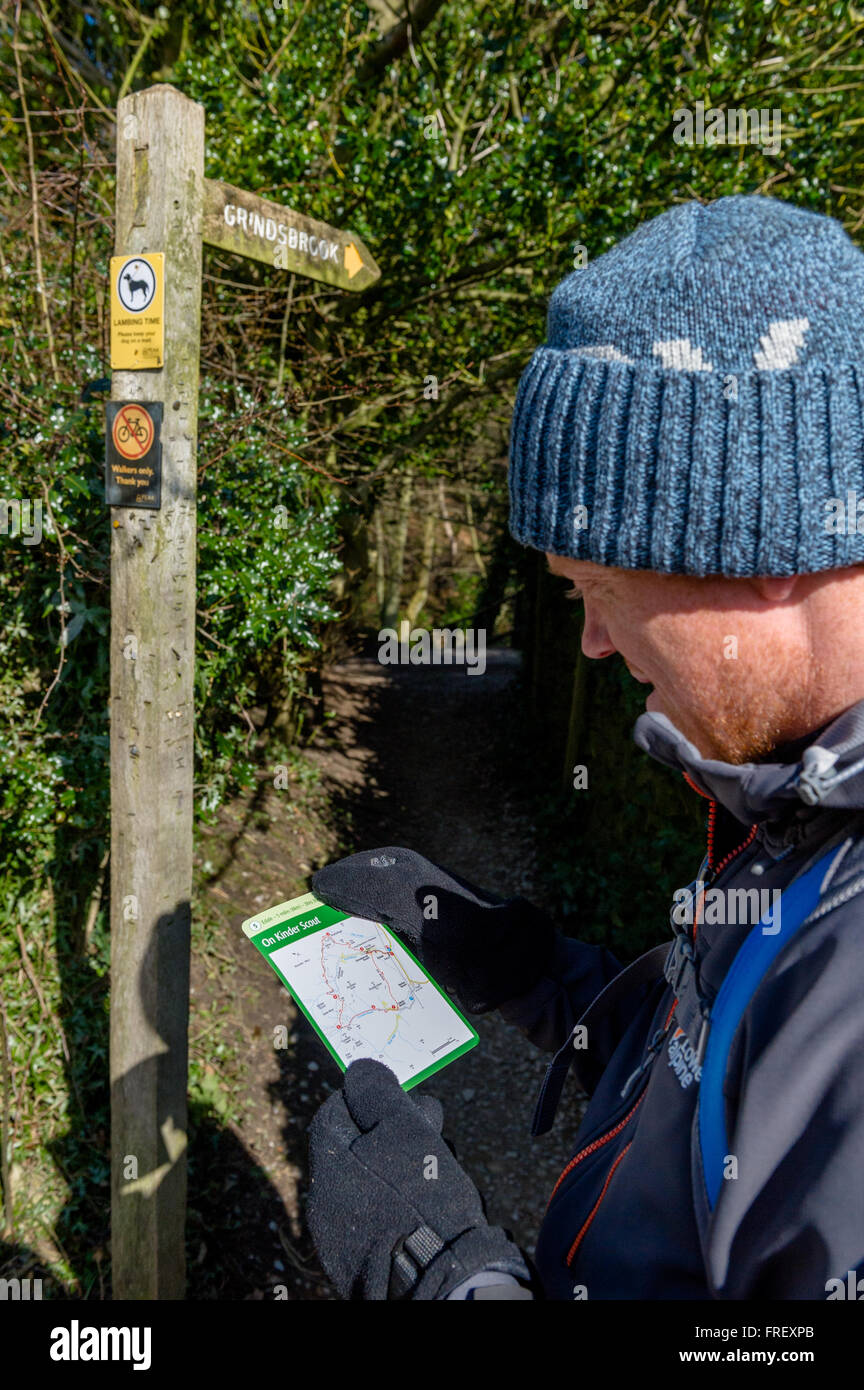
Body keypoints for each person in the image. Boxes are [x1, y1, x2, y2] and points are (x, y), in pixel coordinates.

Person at [305, 194, 864, 1300]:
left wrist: (442, 1277)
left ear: (761, 542)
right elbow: (724, 1072)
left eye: (597, 588)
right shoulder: (798, 801)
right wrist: (539, 974)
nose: (594, 644)